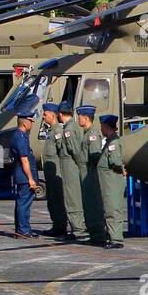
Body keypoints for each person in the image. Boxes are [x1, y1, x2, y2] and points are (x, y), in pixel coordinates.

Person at [58, 101, 88, 243]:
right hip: (70, 166)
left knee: (72, 197)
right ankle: (76, 227)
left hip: (70, 167)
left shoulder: (69, 129)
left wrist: (80, 164)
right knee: (73, 196)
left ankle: (78, 229)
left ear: (60, 114)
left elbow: (74, 150)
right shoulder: (72, 127)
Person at [96, 114, 127, 249]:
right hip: (108, 183)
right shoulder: (109, 141)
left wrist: (122, 169)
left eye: (102, 126)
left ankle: (116, 239)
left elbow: (115, 161)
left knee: (113, 209)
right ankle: (111, 235)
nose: (101, 129)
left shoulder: (113, 143)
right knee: (109, 209)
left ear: (106, 126)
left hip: (112, 183)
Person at [77, 106, 106, 243]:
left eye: (80, 116)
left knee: (93, 204)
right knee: (88, 205)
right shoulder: (86, 133)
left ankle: (98, 235)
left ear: (86, 118)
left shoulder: (93, 135)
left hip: (90, 174)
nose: (78, 119)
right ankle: (94, 234)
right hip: (85, 173)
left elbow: (95, 156)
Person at [9, 105, 39, 237]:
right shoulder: (20, 137)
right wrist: (31, 178)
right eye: (31, 121)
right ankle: (23, 230)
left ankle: (21, 229)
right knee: (24, 204)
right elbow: (24, 160)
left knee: (22, 203)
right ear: (26, 122)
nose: (32, 124)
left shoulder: (18, 136)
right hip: (24, 176)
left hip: (21, 175)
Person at [40, 102, 68, 237]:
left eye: (45, 115)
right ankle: (56, 225)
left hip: (56, 173)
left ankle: (60, 226)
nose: (44, 117)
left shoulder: (58, 131)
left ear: (52, 115)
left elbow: (62, 153)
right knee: (52, 200)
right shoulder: (51, 131)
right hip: (50, 174)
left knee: (57, 200)